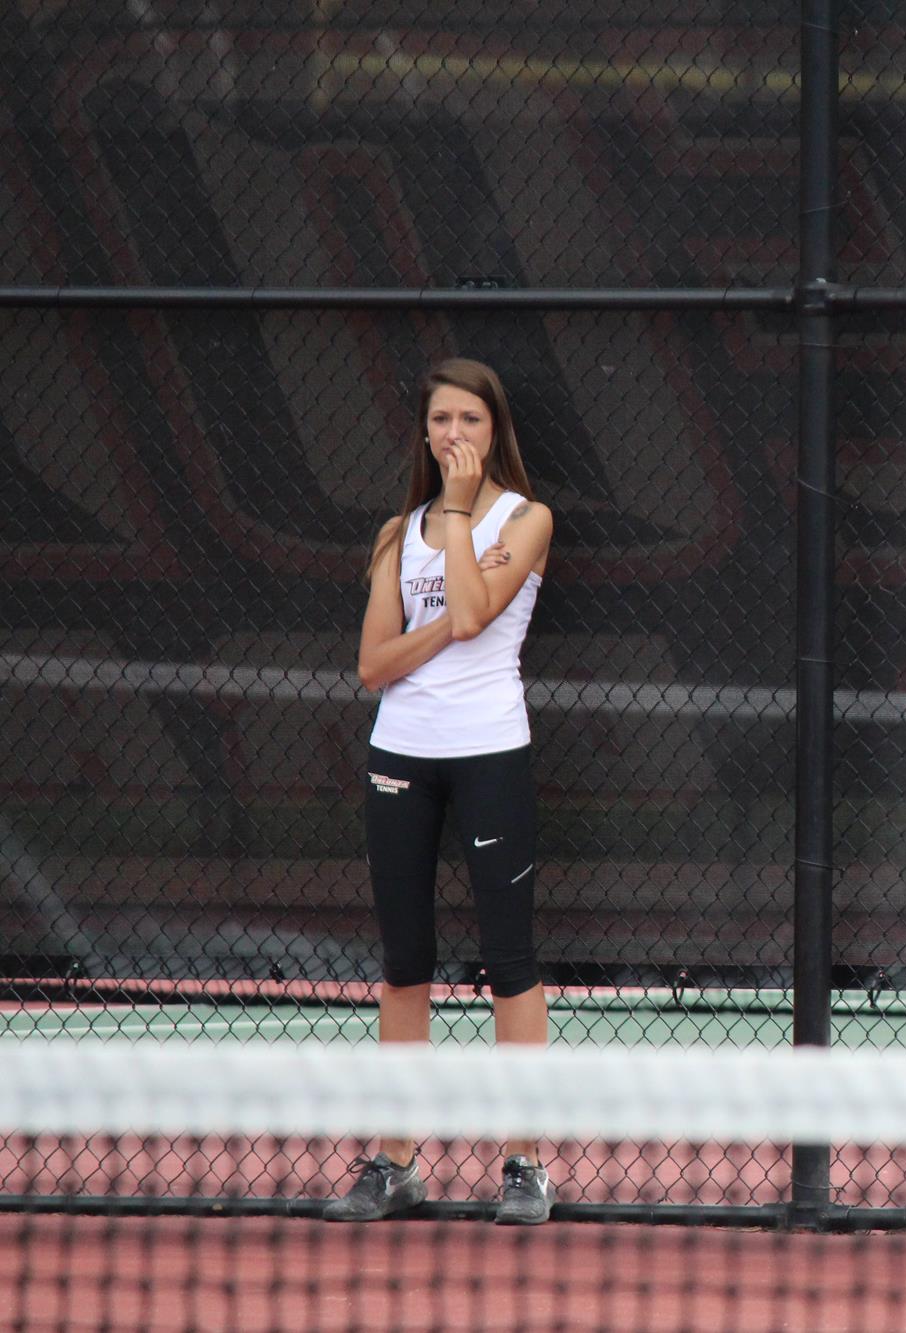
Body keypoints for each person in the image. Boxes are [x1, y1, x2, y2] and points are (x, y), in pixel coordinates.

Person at [327, 357, 558, 1225]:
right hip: (402, 756)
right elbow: (372, 664)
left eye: (468, 419)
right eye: (439, 422)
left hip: (491, 752)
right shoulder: (396, 533)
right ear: (423, 433)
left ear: (493, 428)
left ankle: (525, 1162)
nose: (452, 434)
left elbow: (469, 616)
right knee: (403, 964)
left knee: (511, 963)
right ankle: (393, 1162)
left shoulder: (526, 520)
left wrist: (459, 520)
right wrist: (440, 617)